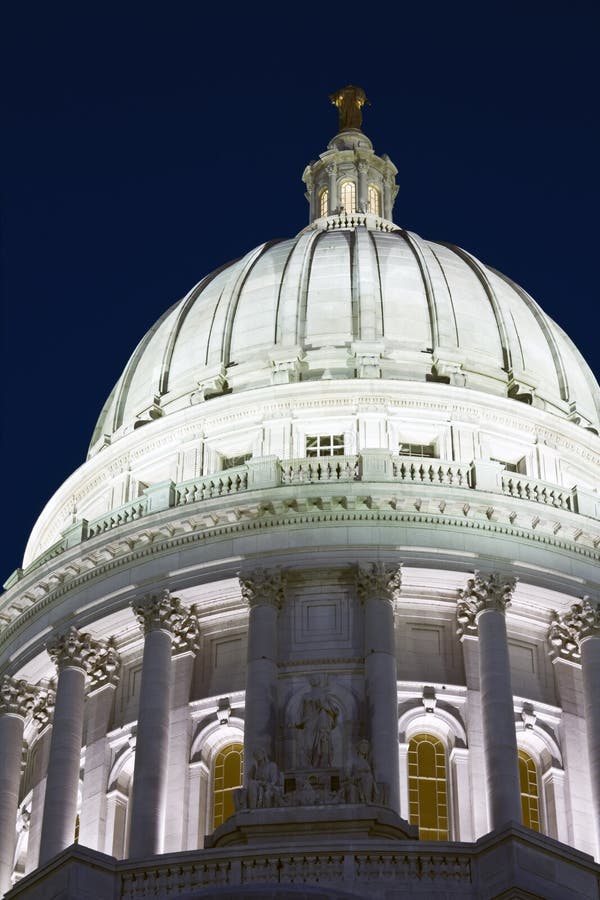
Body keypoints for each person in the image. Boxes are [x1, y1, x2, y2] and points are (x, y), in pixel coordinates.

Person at [294, 675, 339, 768]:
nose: (313, 680)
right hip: (308, 722)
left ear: (319, 680)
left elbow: (334, 711)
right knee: (308, 744)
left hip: (322, 723)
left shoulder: (325, 695)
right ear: (309, 681)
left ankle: (322, 763)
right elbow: (300, 711)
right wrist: (298, 722)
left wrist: (323, 707)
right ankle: (307, 765)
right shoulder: (305, 696)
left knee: (322, 742)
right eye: (311, 678)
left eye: (316, 678)